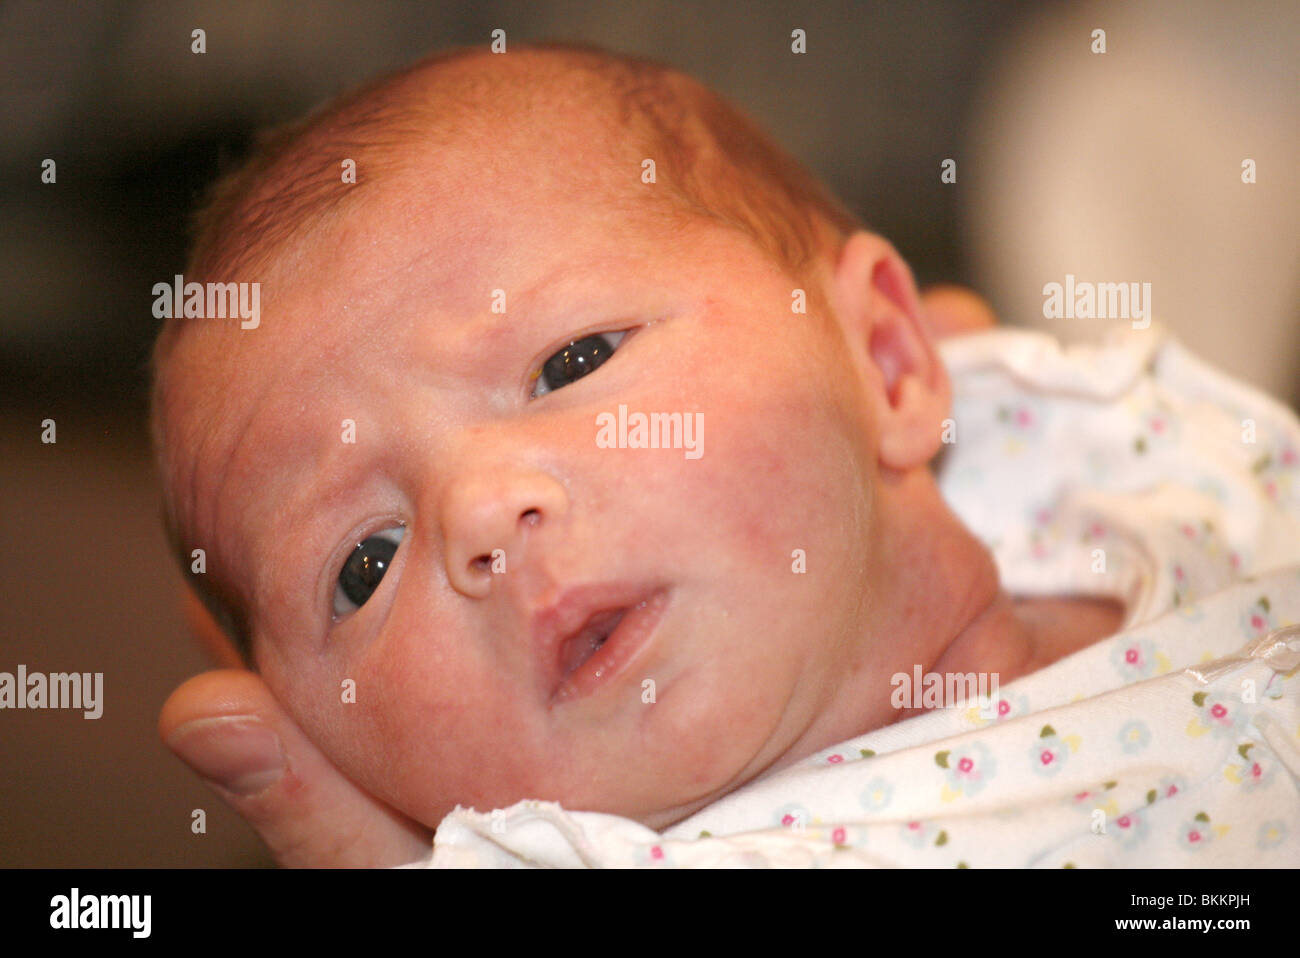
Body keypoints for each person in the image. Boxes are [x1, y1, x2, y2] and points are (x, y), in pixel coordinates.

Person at [152, 43, 1299, 867]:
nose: (482, 512)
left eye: (572, 361)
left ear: (891, 363)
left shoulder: (1144, 462)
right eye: (364, 562)